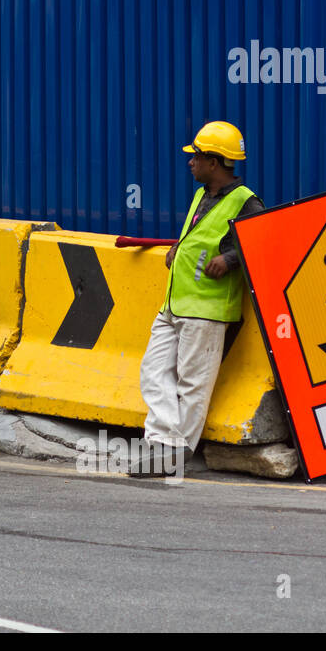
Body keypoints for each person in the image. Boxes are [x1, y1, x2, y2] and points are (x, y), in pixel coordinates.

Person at [130, 121, 264, 477]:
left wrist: (231, 259)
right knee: (154, 370)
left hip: (207, 309)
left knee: (193, 383)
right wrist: (180, 246)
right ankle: (161, 440)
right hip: (176, 302)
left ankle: (174, 454)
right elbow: (201, 234)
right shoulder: (202, 195)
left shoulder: (246, 201)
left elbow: (263, 242)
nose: (191, 162)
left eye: (197, 156)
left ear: (215, 161)